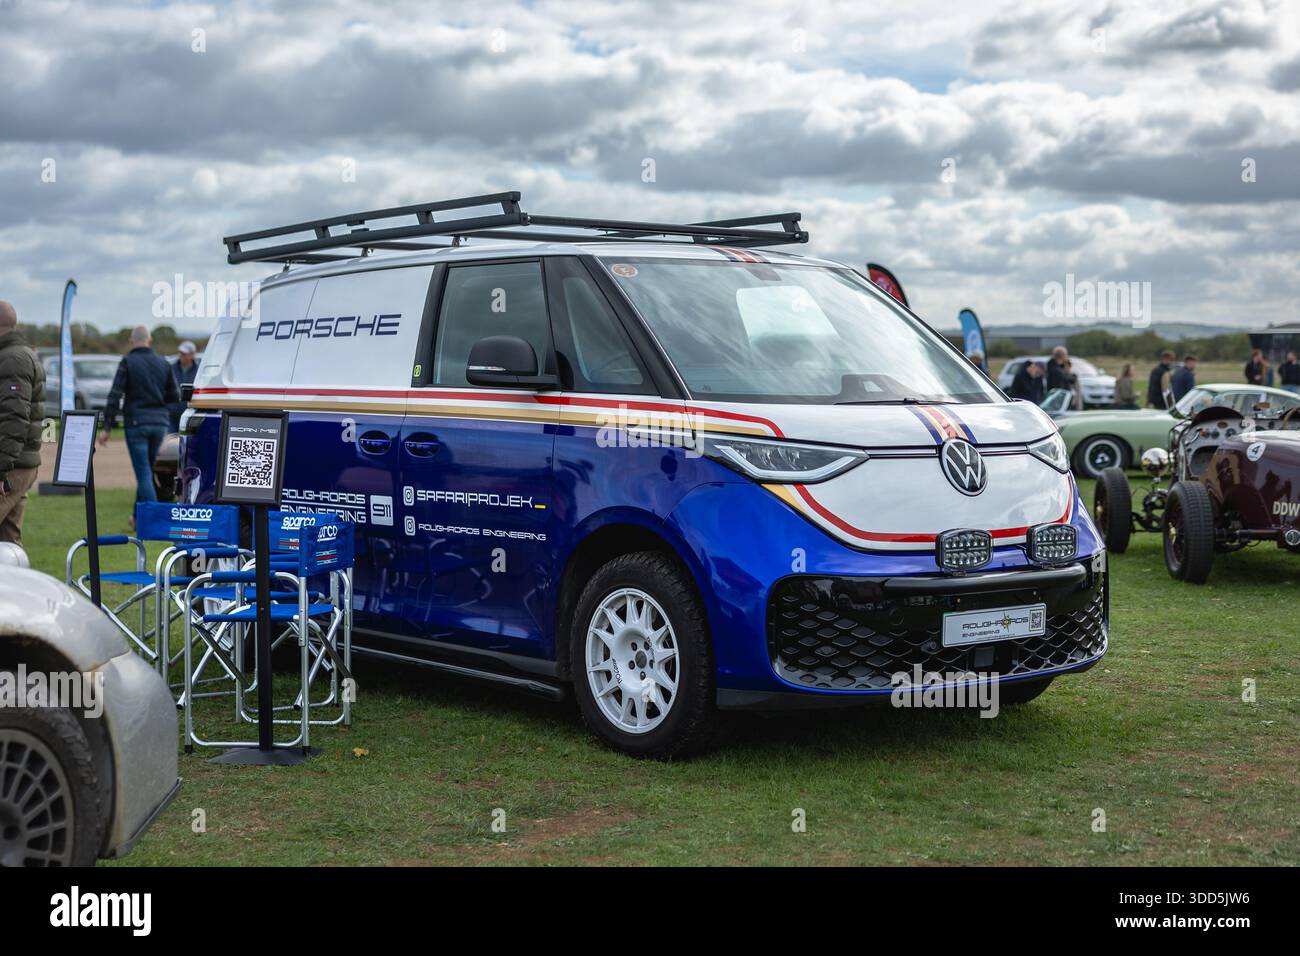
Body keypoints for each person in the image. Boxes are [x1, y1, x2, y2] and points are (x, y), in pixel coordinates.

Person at [100, 326, 179, 518]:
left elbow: (114, 396)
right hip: (159, 423)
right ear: (149, 340)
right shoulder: (163, 362)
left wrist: (107, 427)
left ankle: (155, 517)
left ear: (131, 341)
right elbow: (175, 395)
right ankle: (136, 516)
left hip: (136, 423)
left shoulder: (127, 362)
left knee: (143, 472)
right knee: (147, 469)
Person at [0, 301, 46, 548]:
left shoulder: (13, 359)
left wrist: (2, 469)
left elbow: (14, 419)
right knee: (8, 543)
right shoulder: (20, 354)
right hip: (18, 464)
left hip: (11, 468)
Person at [169, 340, 200, 431]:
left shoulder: (198, 372)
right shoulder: (171, 369)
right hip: (172, 414)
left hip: (189, 414)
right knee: (170, 441)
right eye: (181, 353)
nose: (182, 356)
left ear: (192, 355)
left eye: (185, 353)